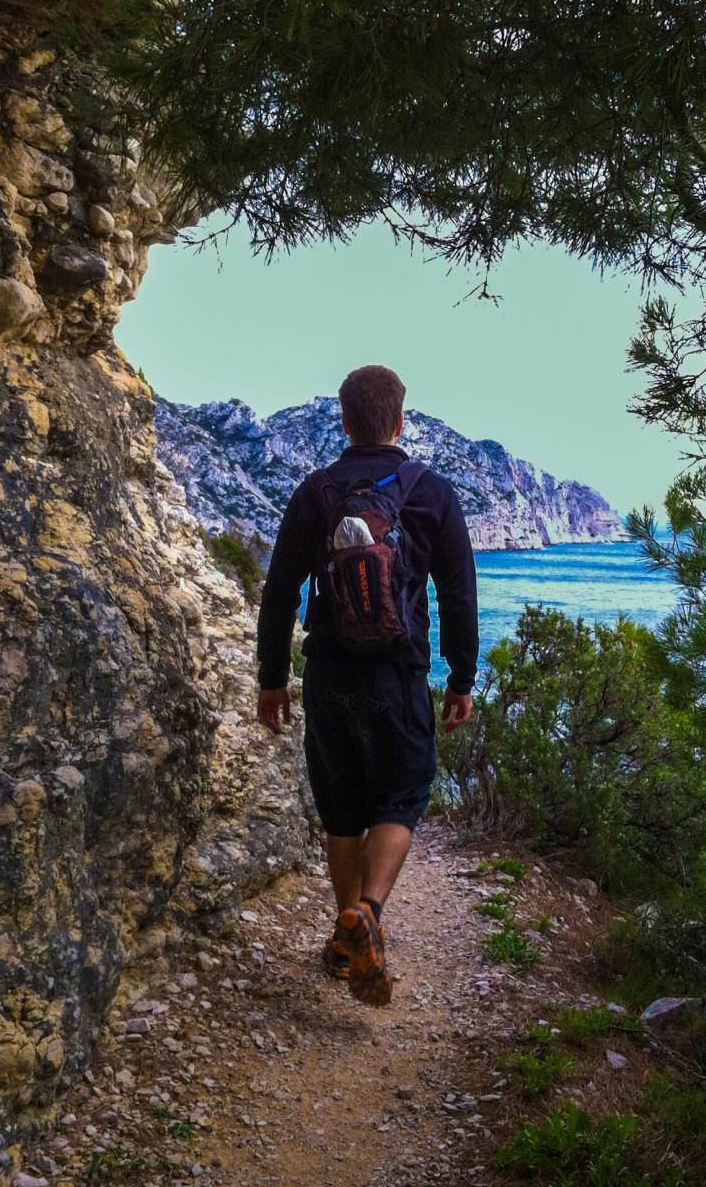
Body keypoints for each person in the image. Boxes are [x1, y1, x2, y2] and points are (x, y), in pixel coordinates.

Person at [255, 365, 478, 1005]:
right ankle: (370, 915)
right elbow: (458, 595)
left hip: (329, 673)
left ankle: (344, 929)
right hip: (399, 673)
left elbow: (280, 593)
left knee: (343, 811)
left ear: (346, 420)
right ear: (400, 421)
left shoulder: (317, 491)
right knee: (401, 797)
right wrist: (461, 678)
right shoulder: (432, 493)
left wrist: (274, 678)